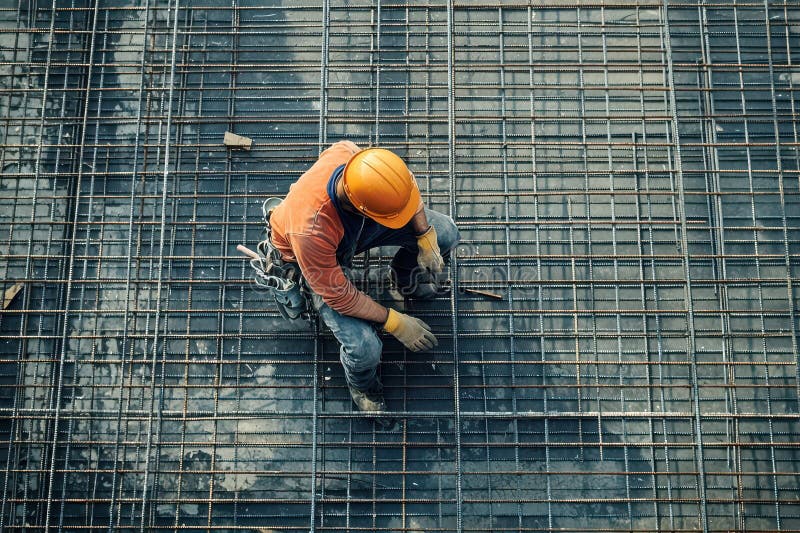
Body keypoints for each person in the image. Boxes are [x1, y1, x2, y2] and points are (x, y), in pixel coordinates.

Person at [267, 140, 460, 417]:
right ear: (362, 208)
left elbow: (409, 189)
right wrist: (395, 321)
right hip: (314, 256)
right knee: (365, 348)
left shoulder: (362, 164)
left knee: (446, 233)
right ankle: (363, 387)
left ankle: (404, 280)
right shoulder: (310, 230)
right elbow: (340, 296)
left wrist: (425, 237)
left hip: (352, 226)